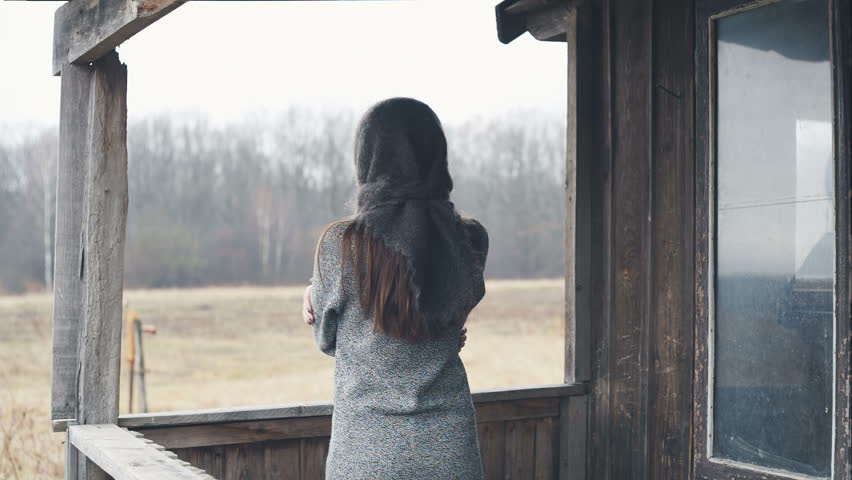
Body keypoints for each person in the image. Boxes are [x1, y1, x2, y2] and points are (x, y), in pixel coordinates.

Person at [301, 97, 489, 479]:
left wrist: (313, 291)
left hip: (365, 453)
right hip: (450, 451)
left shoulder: (341, 244)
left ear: (367, 158)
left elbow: (328, 340)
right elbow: (448, 324)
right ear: (437, 156)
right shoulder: (469, 239)